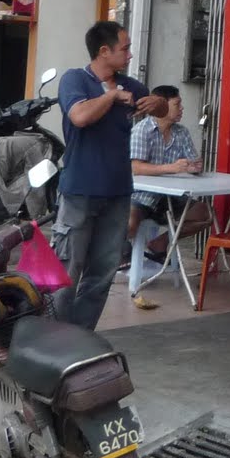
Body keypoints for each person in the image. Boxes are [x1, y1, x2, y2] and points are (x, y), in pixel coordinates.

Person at [56, 21, 165, 330]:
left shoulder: (131, 85)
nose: (130, 55)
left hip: (118, 192)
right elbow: (79, 117)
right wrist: (111, 97)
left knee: (102, 272)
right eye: (125, 48)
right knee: (68, 270)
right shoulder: (75, 80)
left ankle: (81, 335)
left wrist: (156, 103)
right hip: (79, 190)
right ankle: (54, 337)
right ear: (104, 51)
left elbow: (158, 108)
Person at [125, 84, 198, 310]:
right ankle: (122, 257)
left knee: (206, 215)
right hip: (143, 195)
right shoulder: (142, 131)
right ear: (162, 106)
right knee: (130, 222)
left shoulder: (181, 132)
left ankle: (159, 243)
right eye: (177, 104)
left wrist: (194, 166)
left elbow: (192, 160)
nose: (181, 108)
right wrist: (172, 168)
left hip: (174, 196)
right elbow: (135, 167)